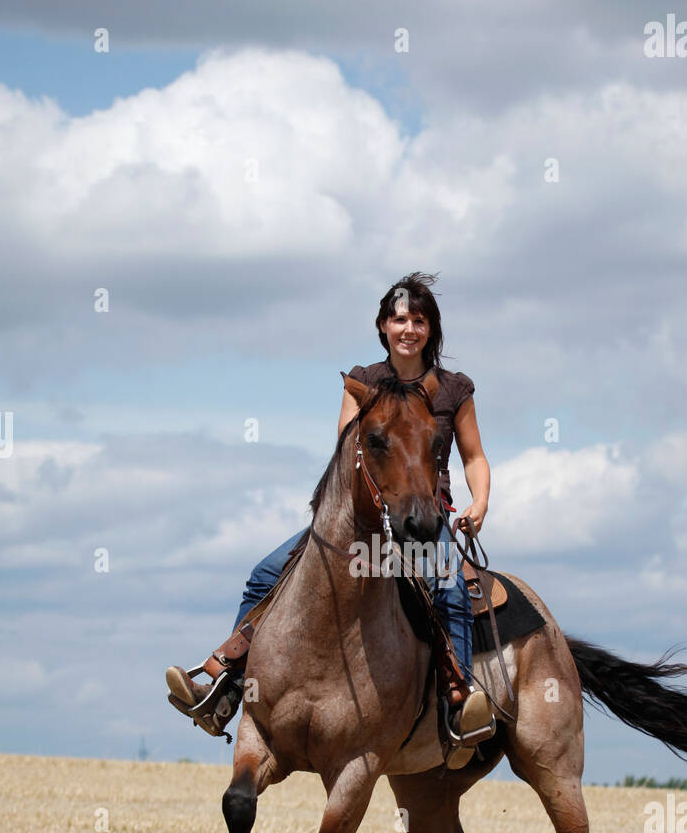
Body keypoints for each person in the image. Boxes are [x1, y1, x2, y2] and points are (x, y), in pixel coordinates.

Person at [166, 272, 494, 766]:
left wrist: (479, 502)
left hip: (423, 520)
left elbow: (473, 457)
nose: (409, 329)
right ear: (383, 325)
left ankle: (459, 705)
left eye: (419, 320)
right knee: (264, 575)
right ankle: (228, 689)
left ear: (432, 328)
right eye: (399, 319)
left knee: (449, 591)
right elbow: (347, 449)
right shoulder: (365, 382)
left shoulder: (452, 390)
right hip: (360, 519)